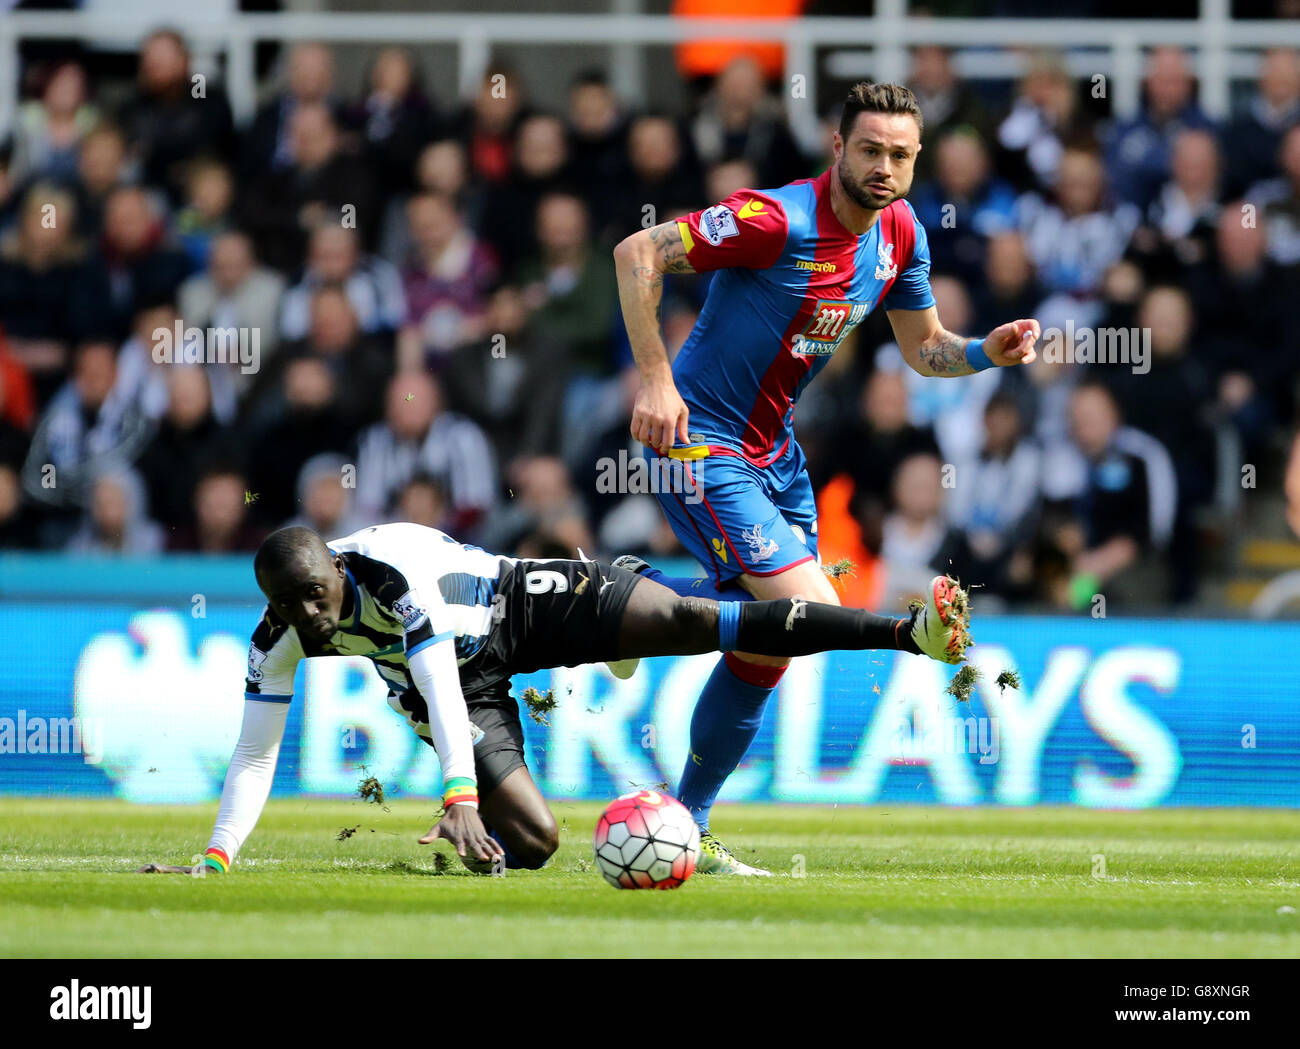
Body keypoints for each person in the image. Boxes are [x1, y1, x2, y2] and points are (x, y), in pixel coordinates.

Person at [612, 81, 1040, 874]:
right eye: (870, 149)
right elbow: (637, 253)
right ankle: (621, 606)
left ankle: (682, 803)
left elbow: (923, 348)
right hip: (699, 442)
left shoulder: (902, 233)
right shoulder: (774, 219)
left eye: (901, 155)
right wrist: (655, 380)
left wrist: (986, 350)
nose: (885, 167)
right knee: (809, 612)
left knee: (772, 647)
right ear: (837, 148)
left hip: (775, 453)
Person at [138, 521, 971, 877]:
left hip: (515, 601)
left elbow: (426, 667)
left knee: (698, 619)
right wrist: (216, 856)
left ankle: (907, 634)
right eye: (298, 609)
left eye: (321, 595)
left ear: (336, 569)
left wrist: (457, 793)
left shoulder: (386, 579)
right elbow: (256, 752)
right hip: (459, 684)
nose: (316, 618)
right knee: (532, 845)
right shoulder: (275, 638)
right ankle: (619, 632)